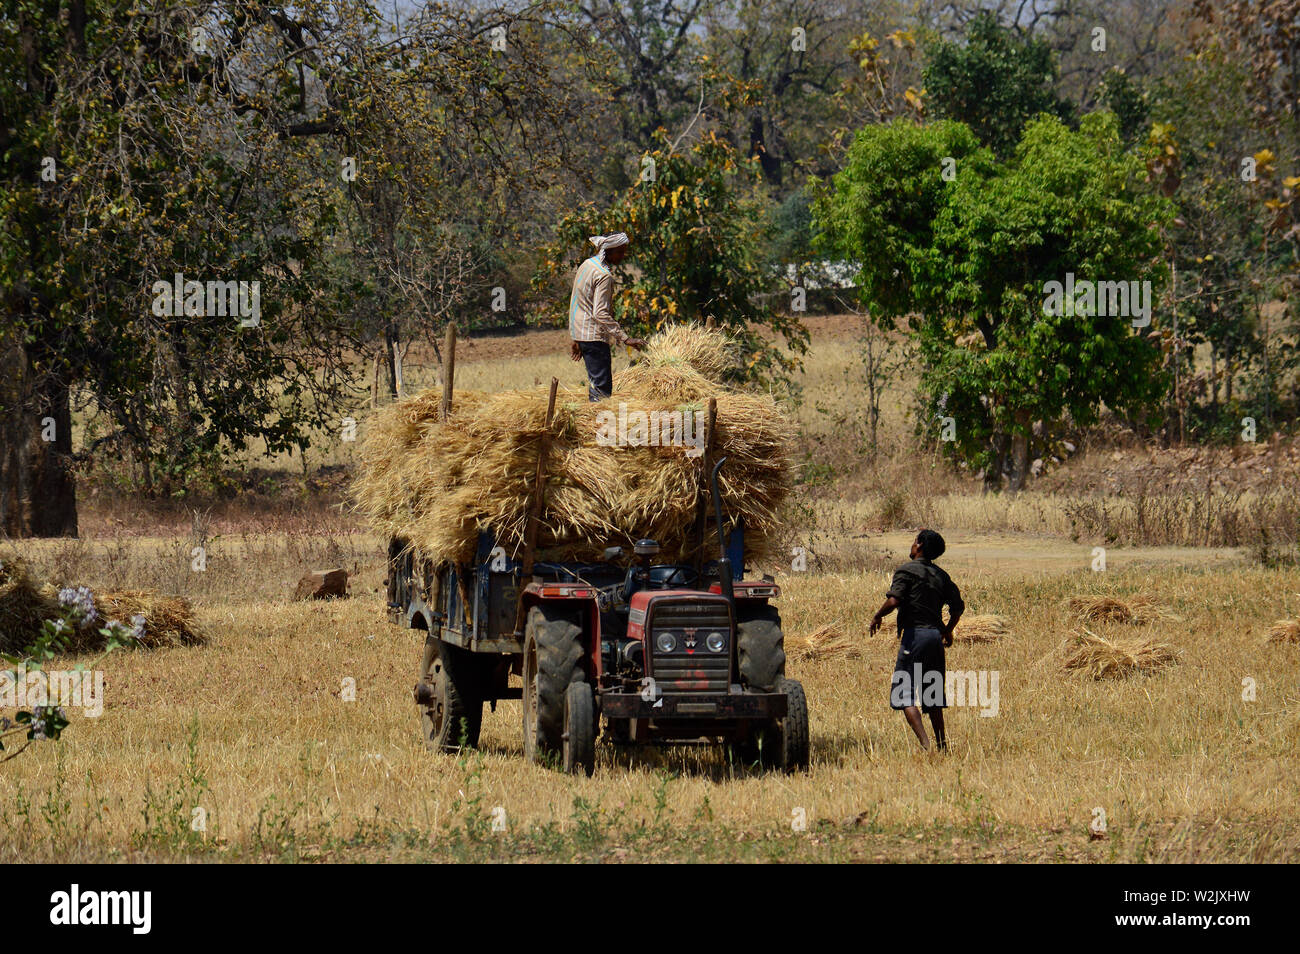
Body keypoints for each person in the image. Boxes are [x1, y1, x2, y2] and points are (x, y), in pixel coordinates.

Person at [869, 528, 964, 751]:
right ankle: (942, 745)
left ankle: (926, 745)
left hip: (915, 638)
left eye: (914, 541)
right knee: (932, 695)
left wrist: (876, 616)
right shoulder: (941, 575)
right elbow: (958, 608)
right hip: (934, 639)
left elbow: (894, 601)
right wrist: (948, 630)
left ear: (919, 545)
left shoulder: (906, 571)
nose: (912, 545)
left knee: (904, 694)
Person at [568, 232, 645, 401]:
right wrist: (625, 338)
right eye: (620, 252)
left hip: (583, 335)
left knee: (596, 384)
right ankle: (597, 423)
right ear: (609, 251)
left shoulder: (586, 265)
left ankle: (594, 420)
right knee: (602, 390)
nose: (623, 256)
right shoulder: (604, 275)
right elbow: (600, 313)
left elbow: (576, 302)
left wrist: (576, 337)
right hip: (595, 338)